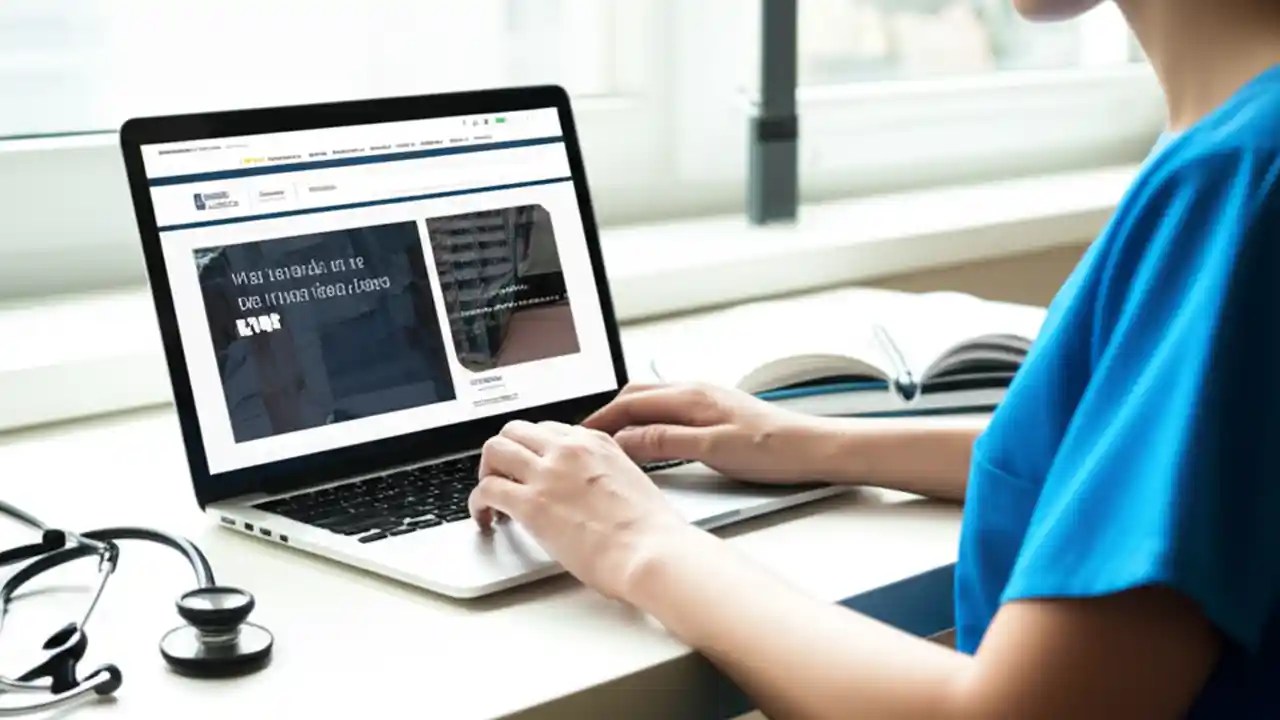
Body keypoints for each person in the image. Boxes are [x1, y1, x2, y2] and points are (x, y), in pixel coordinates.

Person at [468, 0, 1280, 715]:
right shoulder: (1238, 142)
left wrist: (638, 540)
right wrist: (817, 443)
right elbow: (1172, 473)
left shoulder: (1239, 181)